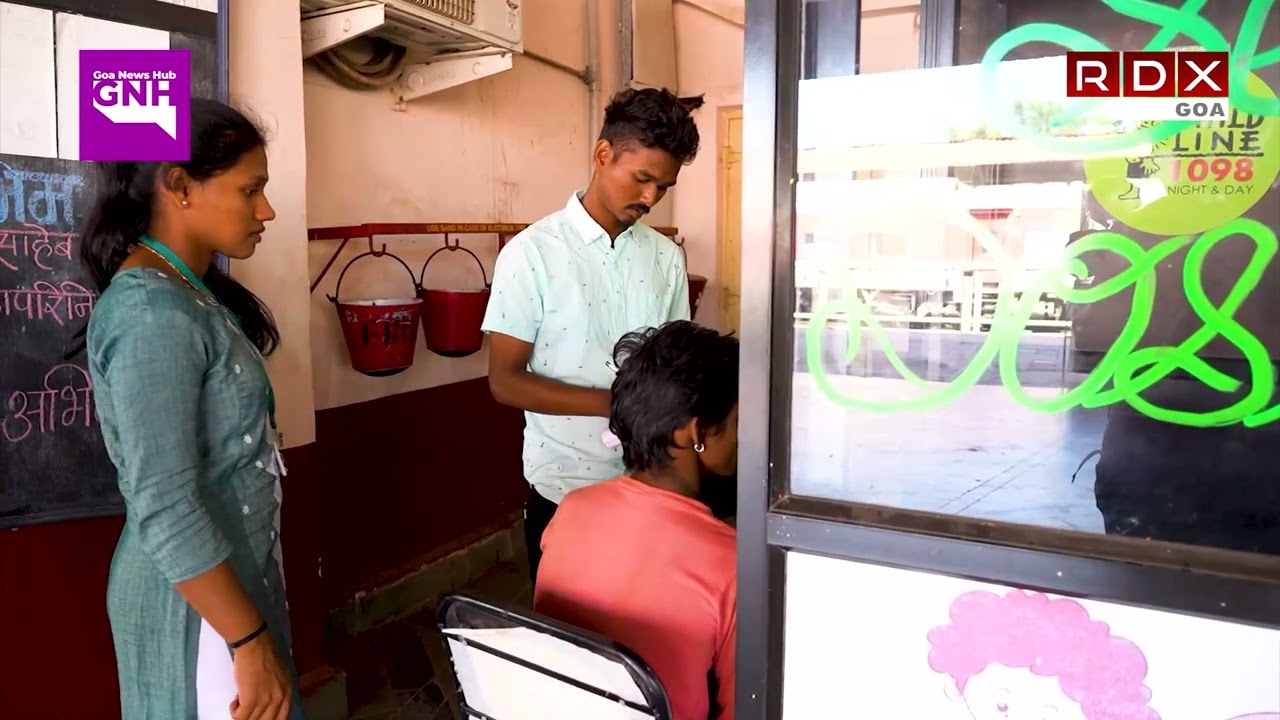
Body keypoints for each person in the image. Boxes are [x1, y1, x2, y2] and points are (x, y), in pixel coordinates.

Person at [74, 98, 304, 720]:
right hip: (197, 613)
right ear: (178, 187)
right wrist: (249, 641)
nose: (266, 210)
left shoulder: (188, 292)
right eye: (249, 189)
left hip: (225, 592)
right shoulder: (150, 315)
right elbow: (167, 502)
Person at [481, 87, 705, 581]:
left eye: (663, 188)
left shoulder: (665, 257)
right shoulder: (531, 254)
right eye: (642, 179)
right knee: (574, 640)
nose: (650, 198)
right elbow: (505, 381)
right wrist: (617, 405)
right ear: (603, 155)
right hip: (566, 491)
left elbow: (673, 364)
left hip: (651, 484)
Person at [534, 320, 739, 720]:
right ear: (692, 432)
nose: (742, 436)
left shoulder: (571, 509)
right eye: (736, 421)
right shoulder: (731, 562)